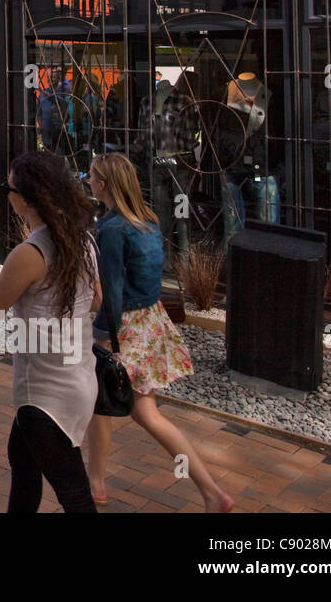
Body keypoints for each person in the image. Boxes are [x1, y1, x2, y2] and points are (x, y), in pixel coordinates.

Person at [0, 151, 101, 513]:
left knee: (74, 494)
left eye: (6, 188)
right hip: (77, 379)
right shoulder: (83, 242)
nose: (6, 194)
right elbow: (96, 301)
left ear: (27, 198)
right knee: (23, 461)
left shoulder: (29, 254)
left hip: (45, 394)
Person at [85, 152, 234, 512]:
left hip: (127, 328)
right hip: (149, 322)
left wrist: (102, 334)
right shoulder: (147, 221)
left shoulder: (111, 229)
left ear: (103, 184)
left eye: (91, 176)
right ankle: (211, 492)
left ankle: (96, 483)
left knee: (104, 404)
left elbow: (114, 288)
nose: (87, 180)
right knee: (139, 411)